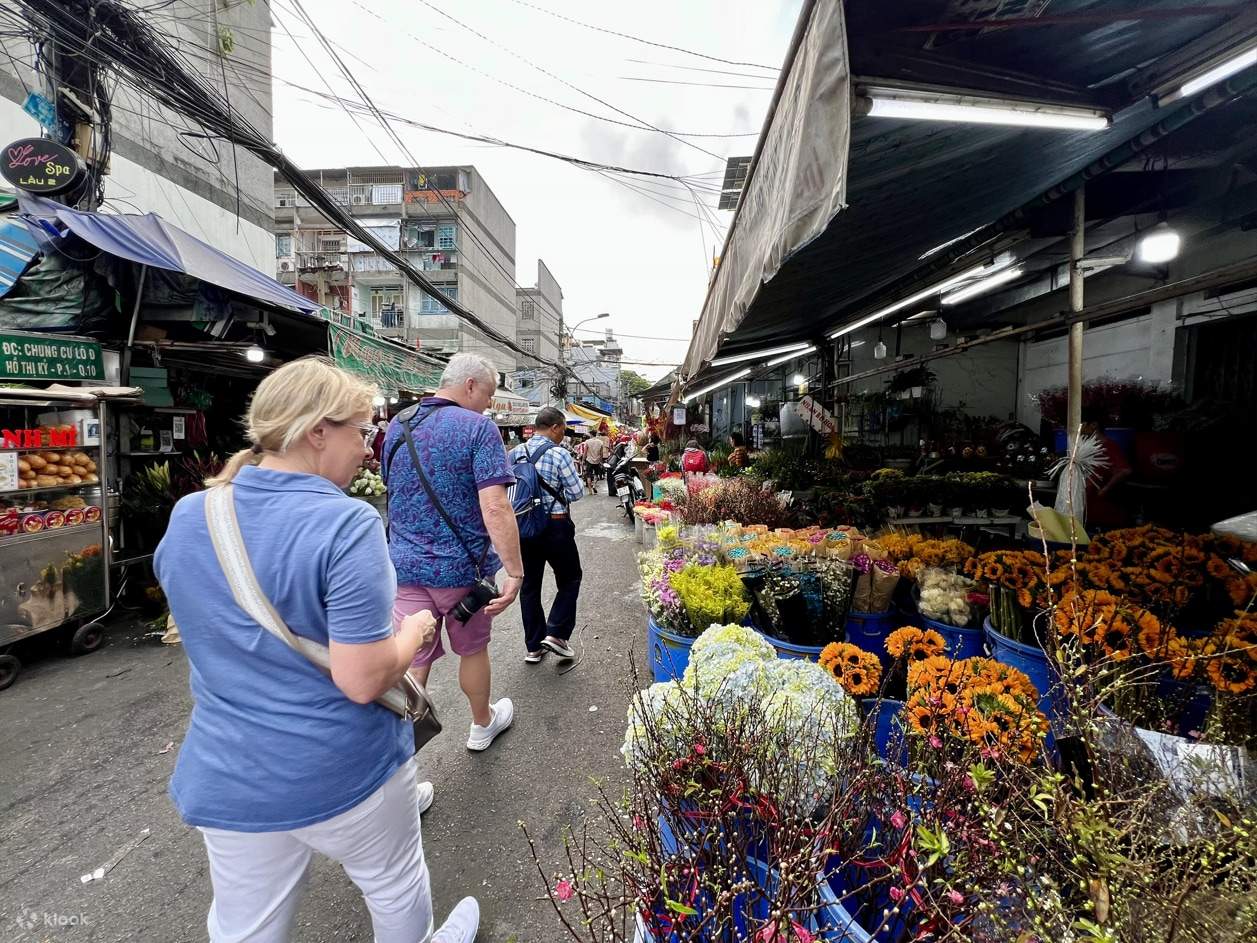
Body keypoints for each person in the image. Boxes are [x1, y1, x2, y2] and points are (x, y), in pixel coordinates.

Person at [155, 357, 478, 943]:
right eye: (361, 429)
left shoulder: (190, 515)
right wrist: (415, 633)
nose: (369, 446)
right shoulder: (345, 523)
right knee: (394, 883)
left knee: (244, 926)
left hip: (231, 774)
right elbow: (361, 679)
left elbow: (207, 627)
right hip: (339, 768)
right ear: (316, 432)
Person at [383, 353, 523, 753]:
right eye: (490, 394)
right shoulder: (478, 429)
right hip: (464, 573)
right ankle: (482, 724)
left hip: (406, 567)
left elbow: (393, 490)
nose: (490, 403)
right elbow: (495, 506)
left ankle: (400, 758)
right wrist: (514, 571)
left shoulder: (398, 425)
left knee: (413, 655)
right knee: (473, 648)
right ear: (471, 386)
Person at [509, 406, 586, 663]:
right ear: (554, 427)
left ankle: (534, 647)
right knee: (570, 577)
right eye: (563, 429)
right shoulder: (559, 453)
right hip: (555, 526)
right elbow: (576, 493)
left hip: (524, 528)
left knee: (529, 586)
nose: (564, 434)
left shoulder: (515, 453)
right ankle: (557, 634)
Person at [1080, 408, 1133, 529]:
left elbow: (1125, 470)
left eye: (1081, 424)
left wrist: (1105, 489)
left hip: (1105, 516)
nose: (1079, 428)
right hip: (1089, 512)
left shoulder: (1108, 446)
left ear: (1093, 425)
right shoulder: (1086, 447)